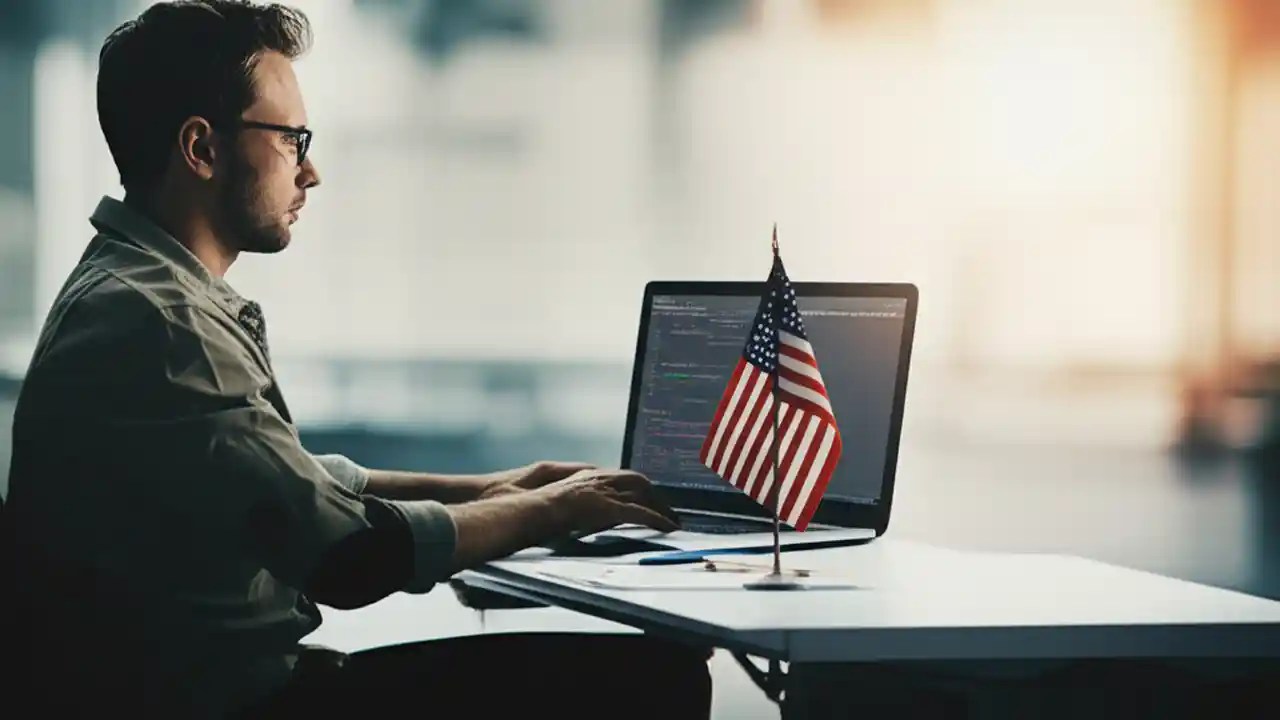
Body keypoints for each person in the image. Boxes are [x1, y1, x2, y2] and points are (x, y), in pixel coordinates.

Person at [0, 1, 711, 717]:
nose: (310, 172)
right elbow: (345, 553)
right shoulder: (163, 322)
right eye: (290, 139)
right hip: (234, 706)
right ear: (202, 149)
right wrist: (547, 511)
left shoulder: (134, 287)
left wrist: (501, 487)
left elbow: (295, 486)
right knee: (655, 676)